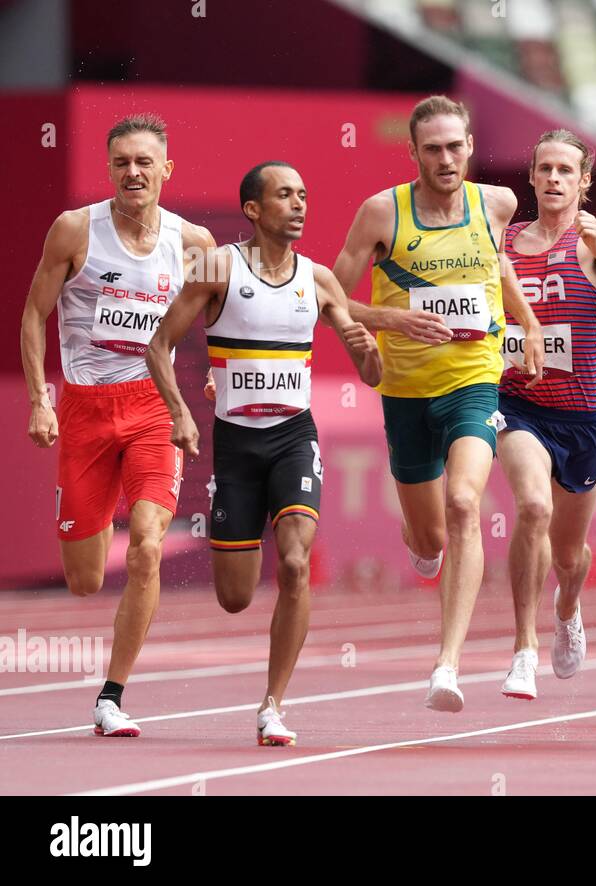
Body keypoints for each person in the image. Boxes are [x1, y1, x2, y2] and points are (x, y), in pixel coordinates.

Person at [147, 162, 381, 745]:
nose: (299, 205)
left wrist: (368, 349)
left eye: (304, 194)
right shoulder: (217, 267)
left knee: (297, 564)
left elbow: (371, 374)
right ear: (253, 209)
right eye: (284, 195)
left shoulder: (321, 280)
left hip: (294, 439)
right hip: (235, 447)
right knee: (234, 596)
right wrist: (179, 413)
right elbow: (159, 345)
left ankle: (273, 705)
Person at [331, 95, 543, 712]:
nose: (446, 159)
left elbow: (496, 263)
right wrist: (387, 318)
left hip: (474, 380)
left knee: (463, 501)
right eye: (433, 149)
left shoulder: (495, 203)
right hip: (405, 393)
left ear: (471, 147)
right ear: (414, 152)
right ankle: (420, 545)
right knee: (428, 536)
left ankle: (447, 665)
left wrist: (525, 321)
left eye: (456, 147)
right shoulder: (381, 213)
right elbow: (329, 296)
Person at [19, 114, 214, 737]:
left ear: (166, 169)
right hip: (82, 409)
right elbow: (33, 314)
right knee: (83, 580)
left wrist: (220, 377)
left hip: (152, 407)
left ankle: (112, 695)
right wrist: (39, 401)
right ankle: (93, 521)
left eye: (144, 162)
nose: (133, 172)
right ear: (109, 170)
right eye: (122, 162)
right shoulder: (76, 230)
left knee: (149, 548)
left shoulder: (193, 243)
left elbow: (225, 317)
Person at [497, 129, 596, 701]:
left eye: (567, 170)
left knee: (569, 554)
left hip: (583, 420)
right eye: (545, 169)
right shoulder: (507, 241)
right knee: (533, 507)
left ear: (584, 180)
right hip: (518, 406)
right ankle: (523, 649)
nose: (555, 179)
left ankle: (568, 608)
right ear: (533, 177)